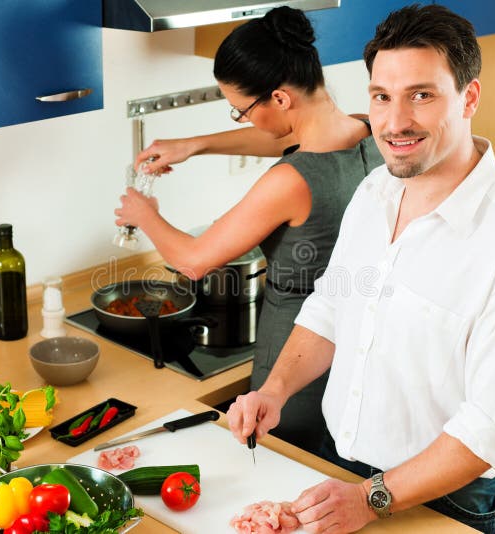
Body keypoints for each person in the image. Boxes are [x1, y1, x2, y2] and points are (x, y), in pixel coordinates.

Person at [226, 4, 495, 534]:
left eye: (421, 96)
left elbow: (491, 430)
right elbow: (331, 306)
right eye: (382, 96)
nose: (395, 121)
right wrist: (276, 390)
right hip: (341, 465)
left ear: (469, 97)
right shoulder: (375, 191)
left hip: (450, 501)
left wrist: (370, 499)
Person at [115, 7, 383, 456]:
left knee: (287, 470)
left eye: (241, 111)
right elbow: (287, 137)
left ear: (279, 98)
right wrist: (195, 145)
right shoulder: (369, 131)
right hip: (358, 350)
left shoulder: (291, 181)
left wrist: (143, 214)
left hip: (294, 360)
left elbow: (193, 261)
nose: (244, 120)